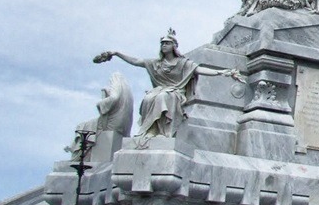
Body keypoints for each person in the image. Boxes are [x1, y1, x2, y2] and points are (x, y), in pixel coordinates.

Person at [94, 31, 242, 137]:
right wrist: (117, 53)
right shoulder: (156, 63)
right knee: (148, 98)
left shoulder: (183, 63)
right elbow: (136, 61)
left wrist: (223, 72)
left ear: (173, 46)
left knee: (162, 97)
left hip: (175, 92)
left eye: (167, 43)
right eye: (162, 43)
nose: (163, 45)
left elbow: (200, 70)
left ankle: (163, 131)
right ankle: (150, 130)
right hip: (160, 90)